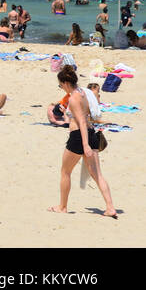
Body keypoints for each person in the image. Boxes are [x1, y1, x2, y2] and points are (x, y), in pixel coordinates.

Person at [49, 66, 116, 218]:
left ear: (66, 83)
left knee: (65, 172)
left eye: (60, 85)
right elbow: (88, 117)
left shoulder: (73, 98)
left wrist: (85, 145)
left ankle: (62, 207)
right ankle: (110, 207)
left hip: (79, 137)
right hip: (92, 133)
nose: (61, 88)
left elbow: (81, 122)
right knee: (97, 174)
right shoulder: (83, 93)